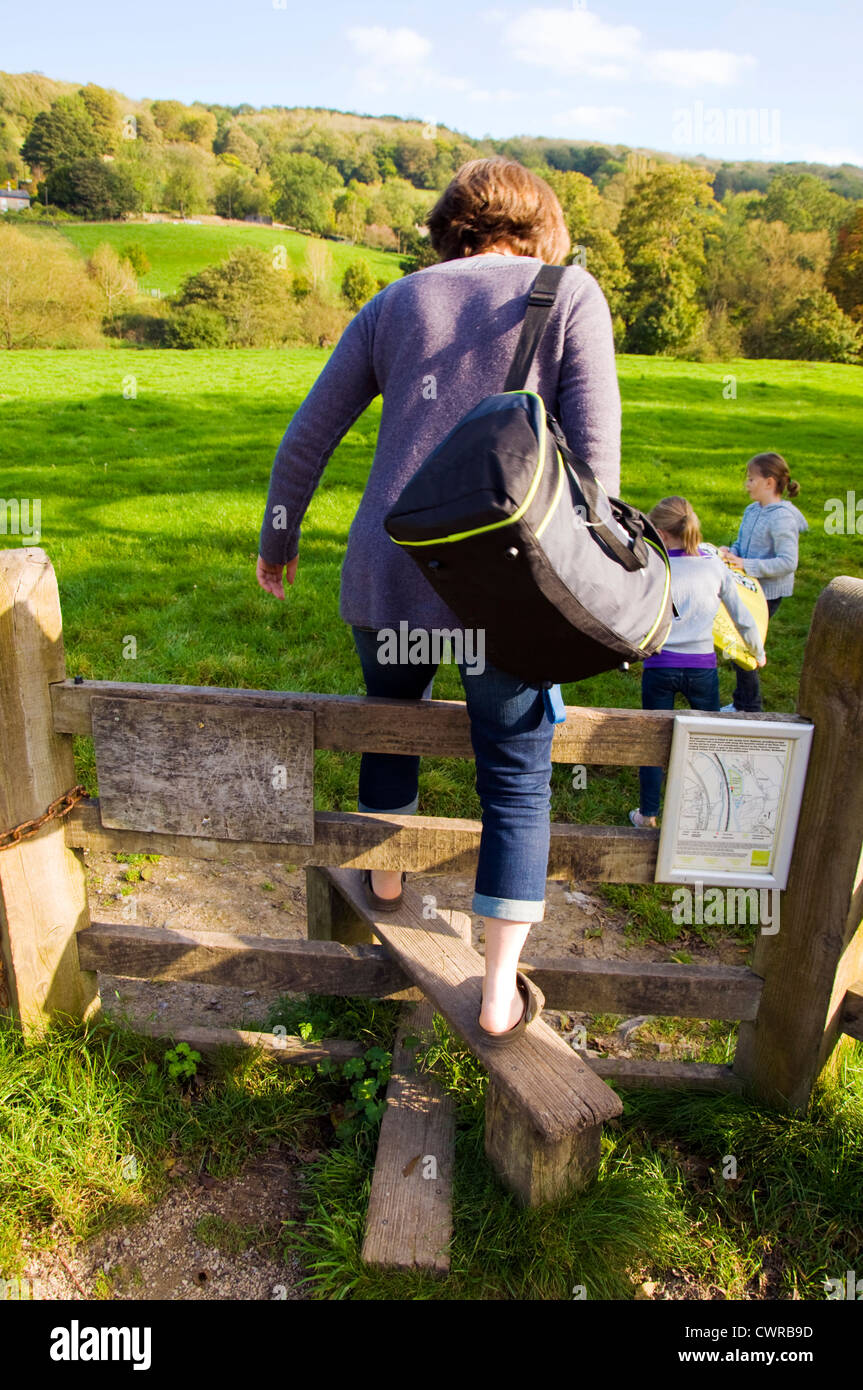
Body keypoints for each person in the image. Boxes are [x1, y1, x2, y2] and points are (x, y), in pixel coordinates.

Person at [256, 156, 621, 1041]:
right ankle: (497, 991)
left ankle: (386, 883)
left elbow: (310, 433)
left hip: (390, 581)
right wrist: (599, 576)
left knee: (390, 720)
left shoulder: (393, 304)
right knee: (517, 774)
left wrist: (279, 536)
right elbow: (597, 462)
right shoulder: (568, 294)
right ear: (540, 223)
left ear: (448, 224)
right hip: (511, 594)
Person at [629, 497, 765, 829]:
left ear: (660, 532)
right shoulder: (714, 566)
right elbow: (742, 616)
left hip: (660, 667)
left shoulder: (656, 567)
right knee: (709, 740)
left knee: (653, 743)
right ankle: (715, 811)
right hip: (702, 668)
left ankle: (648, 813)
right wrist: (757, 652)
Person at [718, 453, 807, 713]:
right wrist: (730, 553)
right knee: (738, 645)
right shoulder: (752, 510)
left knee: (743, 647)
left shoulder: (782, 519)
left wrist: (746, 564)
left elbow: (788, 562)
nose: (747, 484)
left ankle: (749, 708)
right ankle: (743, 703)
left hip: (767, 594)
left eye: (750, 479)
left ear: (769, 482)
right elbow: (742, 544)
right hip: (747, 587)